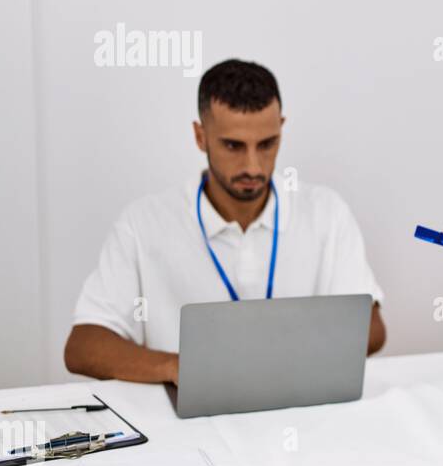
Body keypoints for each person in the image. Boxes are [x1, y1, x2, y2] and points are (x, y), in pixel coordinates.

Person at [64, 59, 386, 385]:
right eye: (233, 145)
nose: (253, 166)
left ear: (281, 128)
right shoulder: (143, 224)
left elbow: (372, 329)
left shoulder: (326, 213)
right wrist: (183, 368)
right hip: (188, 426)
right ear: (200, 136)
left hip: (299, 417)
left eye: (267, 144)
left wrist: (275, 361)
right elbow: (84, 346)